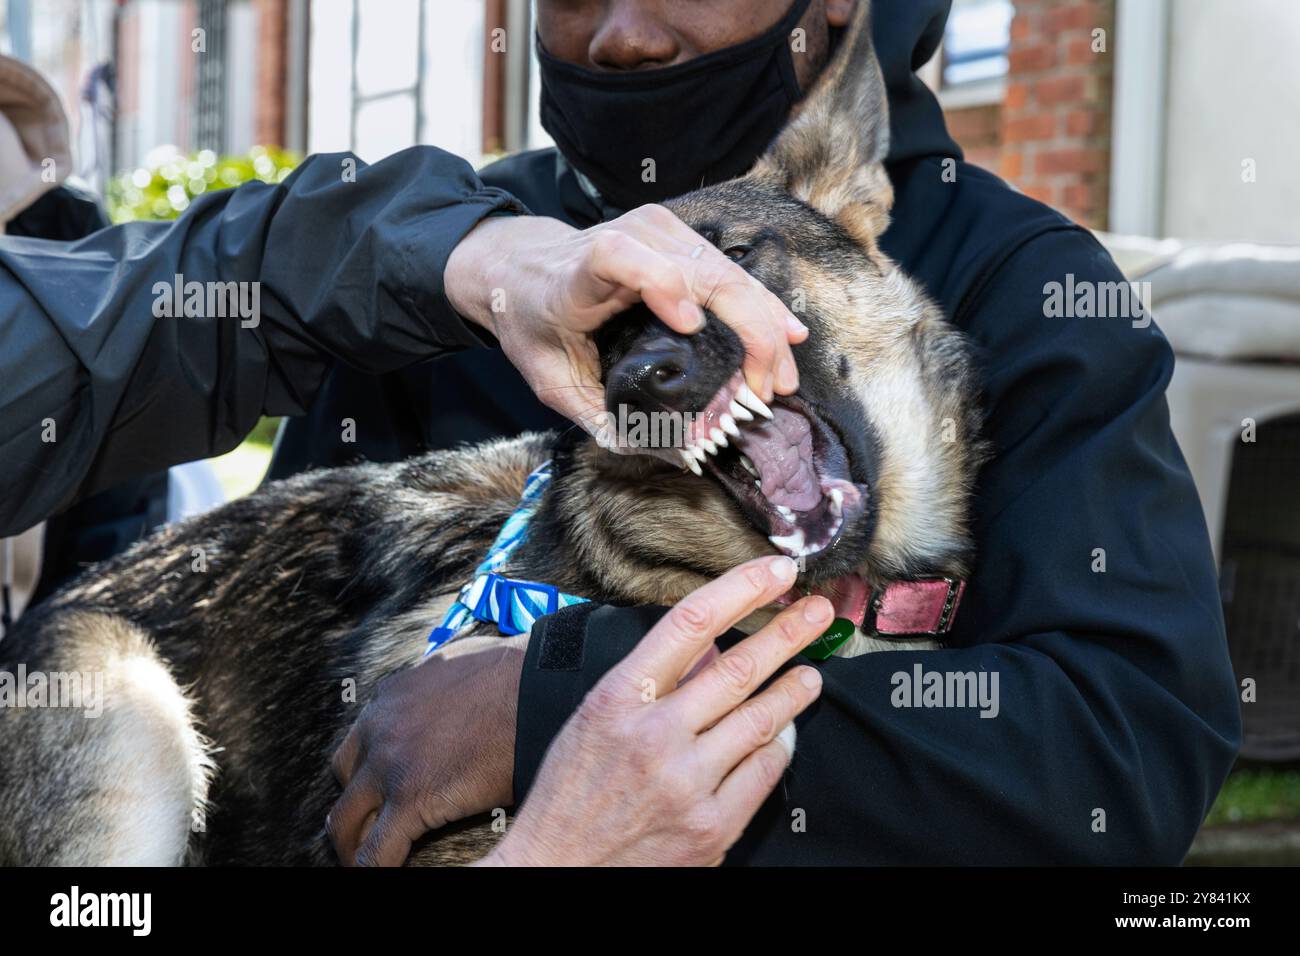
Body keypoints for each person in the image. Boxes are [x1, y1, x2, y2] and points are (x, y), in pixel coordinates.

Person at [1, 0, 1240, 867]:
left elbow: (1119, 748)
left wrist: (548, 709)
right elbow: (308, 695)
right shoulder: (459, 259)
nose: (622, 33)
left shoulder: (1017, 285)